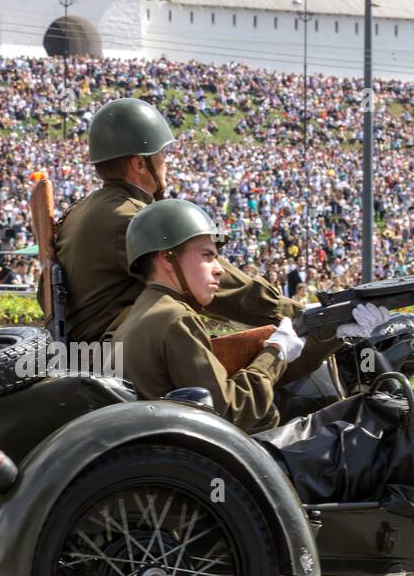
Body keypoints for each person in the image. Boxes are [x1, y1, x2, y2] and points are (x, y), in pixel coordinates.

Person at [105, 199, 383, 434]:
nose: (218, 270)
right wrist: (274, 352)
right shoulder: (176, 320)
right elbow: (232, 411)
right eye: (207, 256)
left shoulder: (141, 314)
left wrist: (334, 335)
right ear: (167, 258)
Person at [55, 98, 303, 344]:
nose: (167, 161)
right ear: (140, 163)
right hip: (125, 363)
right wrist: (296, 314)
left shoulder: (79, 211)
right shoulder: (131, 218)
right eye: (162, 153)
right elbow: (216, 283)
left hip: (91, 357)